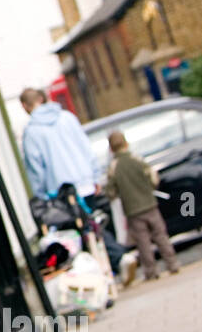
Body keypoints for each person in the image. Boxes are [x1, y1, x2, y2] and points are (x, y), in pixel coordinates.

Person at [19, 87, 125, 276]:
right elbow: (85, 147)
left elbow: (36, 169)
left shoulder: (32, 132)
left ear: (25, 106)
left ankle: (112, 263)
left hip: (60, 192)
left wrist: (42, 196)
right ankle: (111, 266)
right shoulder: (67, 117)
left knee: (79, 234)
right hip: (84, 184)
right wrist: (94, 176)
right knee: (91, 227)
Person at [105, 130, 179, 282]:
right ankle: (172, 264)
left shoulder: (113, 167)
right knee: (160, 235)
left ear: (111, 149)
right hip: (150, 204)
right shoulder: (137, 159)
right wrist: (149, 189)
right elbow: (153, 178)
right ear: (126, 143)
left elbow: (110, 191)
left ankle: (151, 271)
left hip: (133, 210)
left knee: (143, 242)